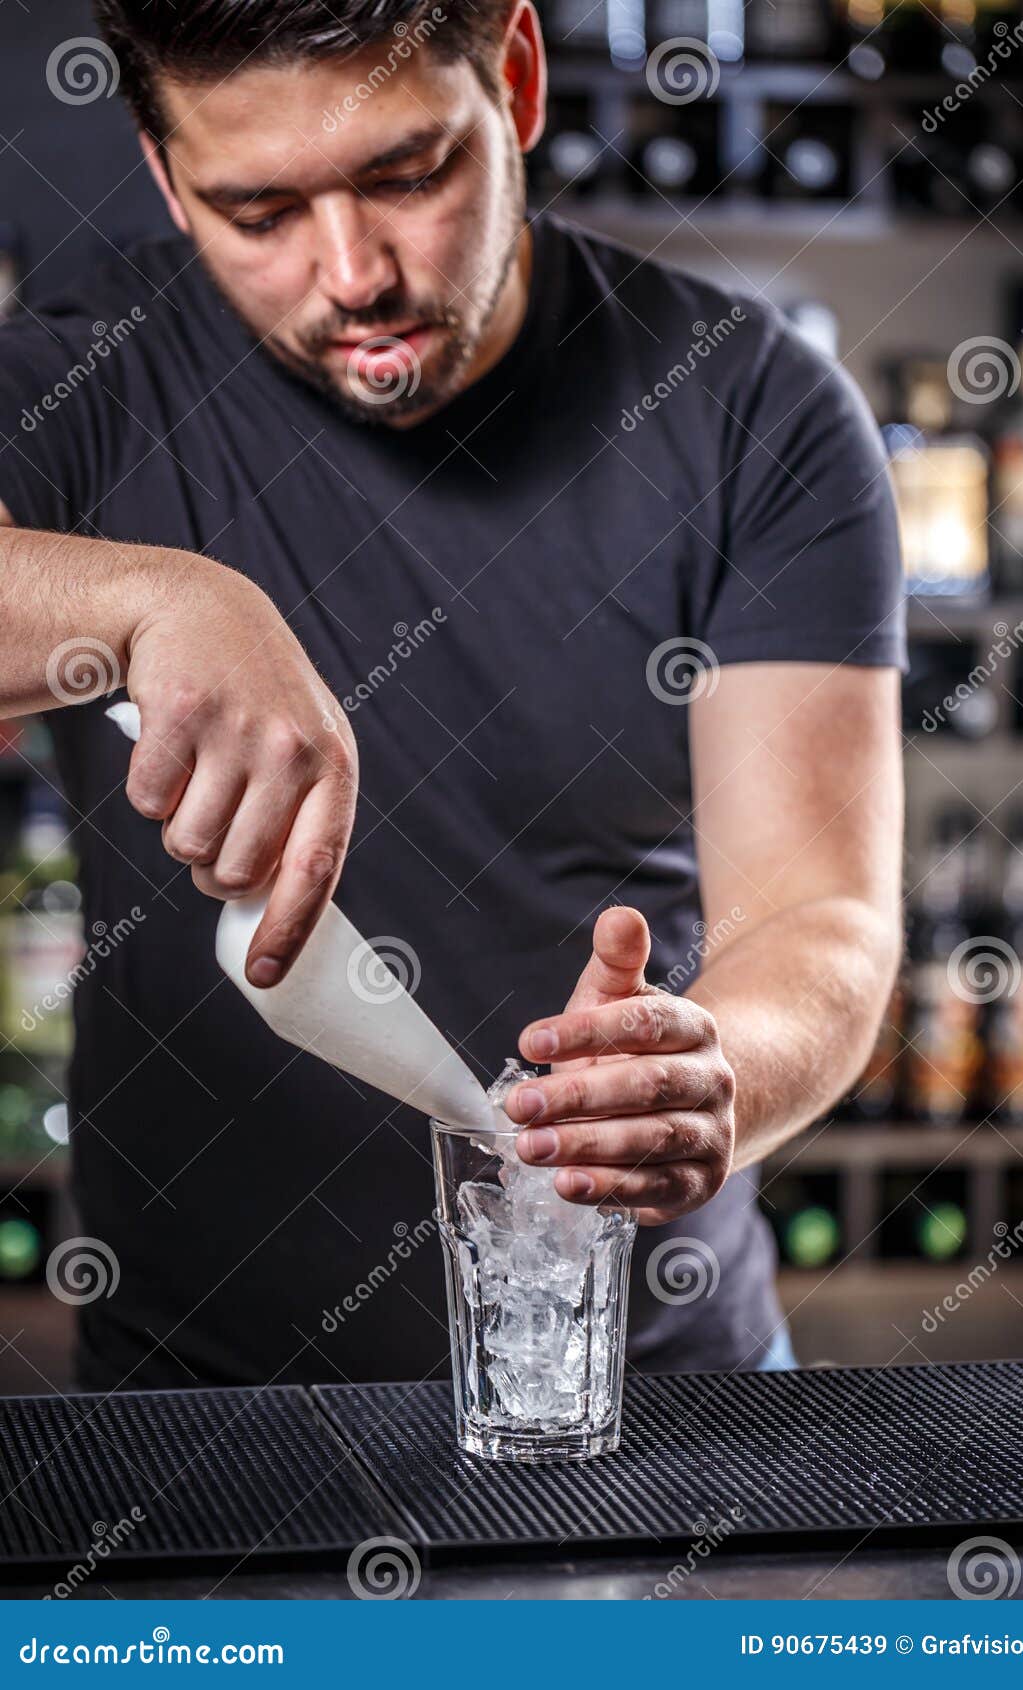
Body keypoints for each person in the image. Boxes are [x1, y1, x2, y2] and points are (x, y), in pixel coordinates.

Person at [0, 0, 904, 1392]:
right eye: (259, 211)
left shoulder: (752, 414)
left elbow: (822, 917)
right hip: (202, 1414)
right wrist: (146, 600)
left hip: (650, 1391)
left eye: (407, 174)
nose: (351, 272)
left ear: (519, 82)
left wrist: (714, 1061)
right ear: (166, 175)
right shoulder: (80, 391)